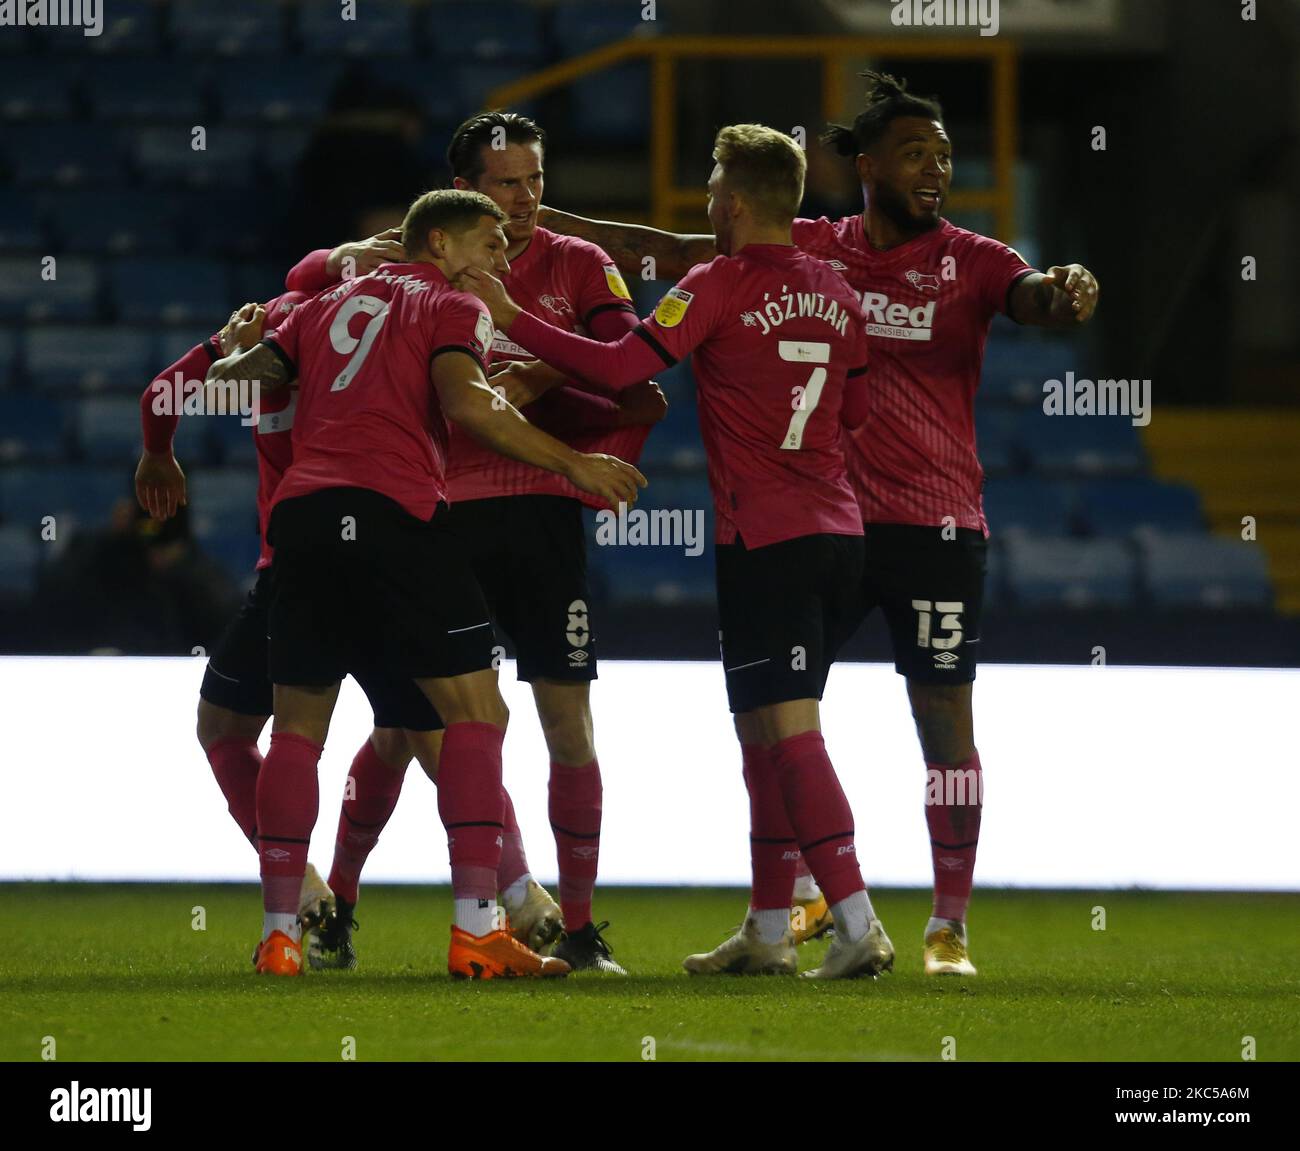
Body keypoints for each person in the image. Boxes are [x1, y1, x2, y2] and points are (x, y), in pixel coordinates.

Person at [537, 72, 1101, 976]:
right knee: (771, 722)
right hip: (835, 522)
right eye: (917, 152)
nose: (938, 168)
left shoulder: (977, 258)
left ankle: (944, 925)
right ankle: (781, 915)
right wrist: (550, 224)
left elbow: (1034, 296)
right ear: (866, 164)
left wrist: (1065, 289)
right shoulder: (815, 251)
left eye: (946, 155)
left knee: (939, 722)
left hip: (932, 523)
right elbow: (671, 248)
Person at [461, 125, 892, 980]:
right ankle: (769, 929)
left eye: (709, 189)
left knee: (791, 729)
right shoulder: (841, 294)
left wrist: (513, 323)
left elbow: (622, 363)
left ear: (731, 204)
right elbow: (856, 416)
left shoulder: (715, 283)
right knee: (763, 730)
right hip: (840, 532)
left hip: (765, 537)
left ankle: (856, 920)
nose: (705, 202)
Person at [205, 188, 645, 979]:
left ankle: (280, 937)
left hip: (302, 523)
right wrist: (573, 462)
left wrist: (229, 348)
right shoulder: (452, 307)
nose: (504, 262)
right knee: (478, 710)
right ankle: (478, 927)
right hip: (397, 515)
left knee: (298, 729)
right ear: (439, 244)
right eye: (490, 247)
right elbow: (465, 400)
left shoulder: (321, 305)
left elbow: (238, 381)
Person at [135, 290, 566, 970]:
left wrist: (168, 439)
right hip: (397, 546)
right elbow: (473, 400)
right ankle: (509, 895)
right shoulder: (407, 325)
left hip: (299, 558)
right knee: (443, 728)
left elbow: (164, 395)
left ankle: (289, 914)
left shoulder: (285, 328)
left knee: (266, 730)